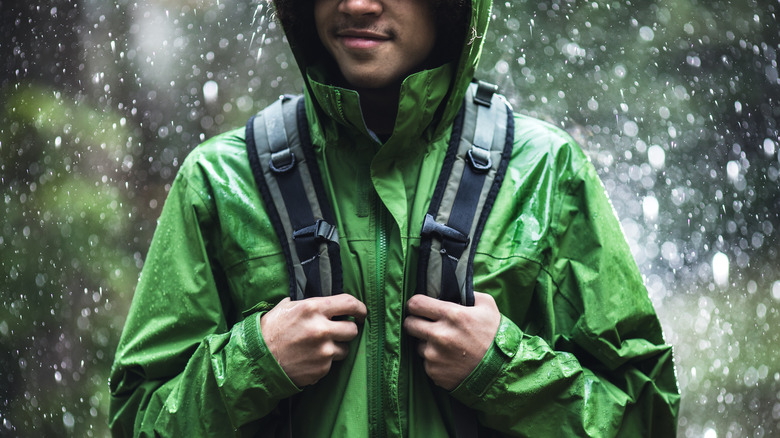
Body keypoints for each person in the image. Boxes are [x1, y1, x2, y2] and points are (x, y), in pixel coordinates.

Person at [109, 0, 680, 436]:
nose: (357, 5)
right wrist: (252, 363)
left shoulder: (544, 171)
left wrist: (502, 370)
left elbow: (646, 417)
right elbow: (136, 418)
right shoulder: (220, 182)